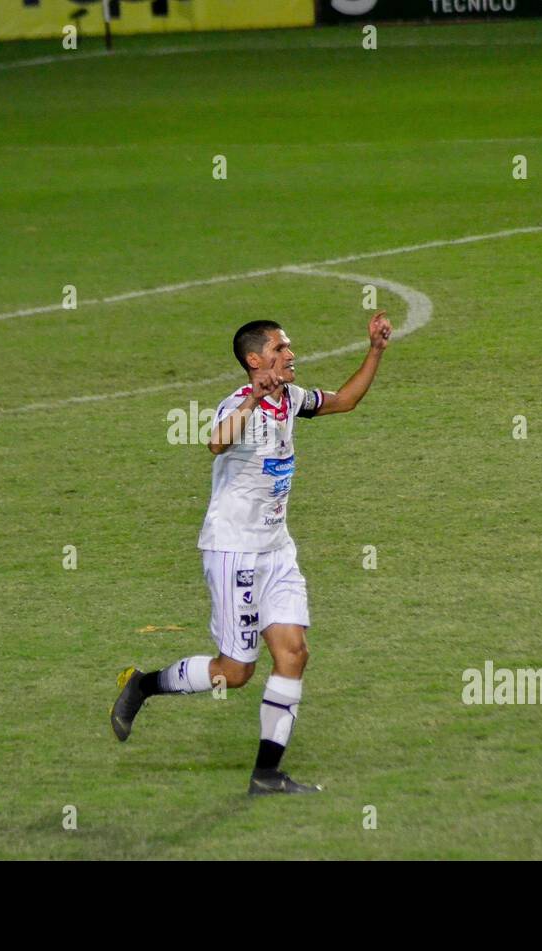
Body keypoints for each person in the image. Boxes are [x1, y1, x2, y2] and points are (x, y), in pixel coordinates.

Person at [110, 311, 393, 795]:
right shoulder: (240, 403)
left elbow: (344, 401)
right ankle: (142, 684)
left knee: (294, 653)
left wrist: (376, 350)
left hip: (277, 549)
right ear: (255, 359)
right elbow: (216, 442)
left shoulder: (291, 399)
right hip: (234, 552)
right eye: (282, 349)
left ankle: (267, 774)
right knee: (235, 672)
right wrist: (254, 400)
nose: (291, 355)